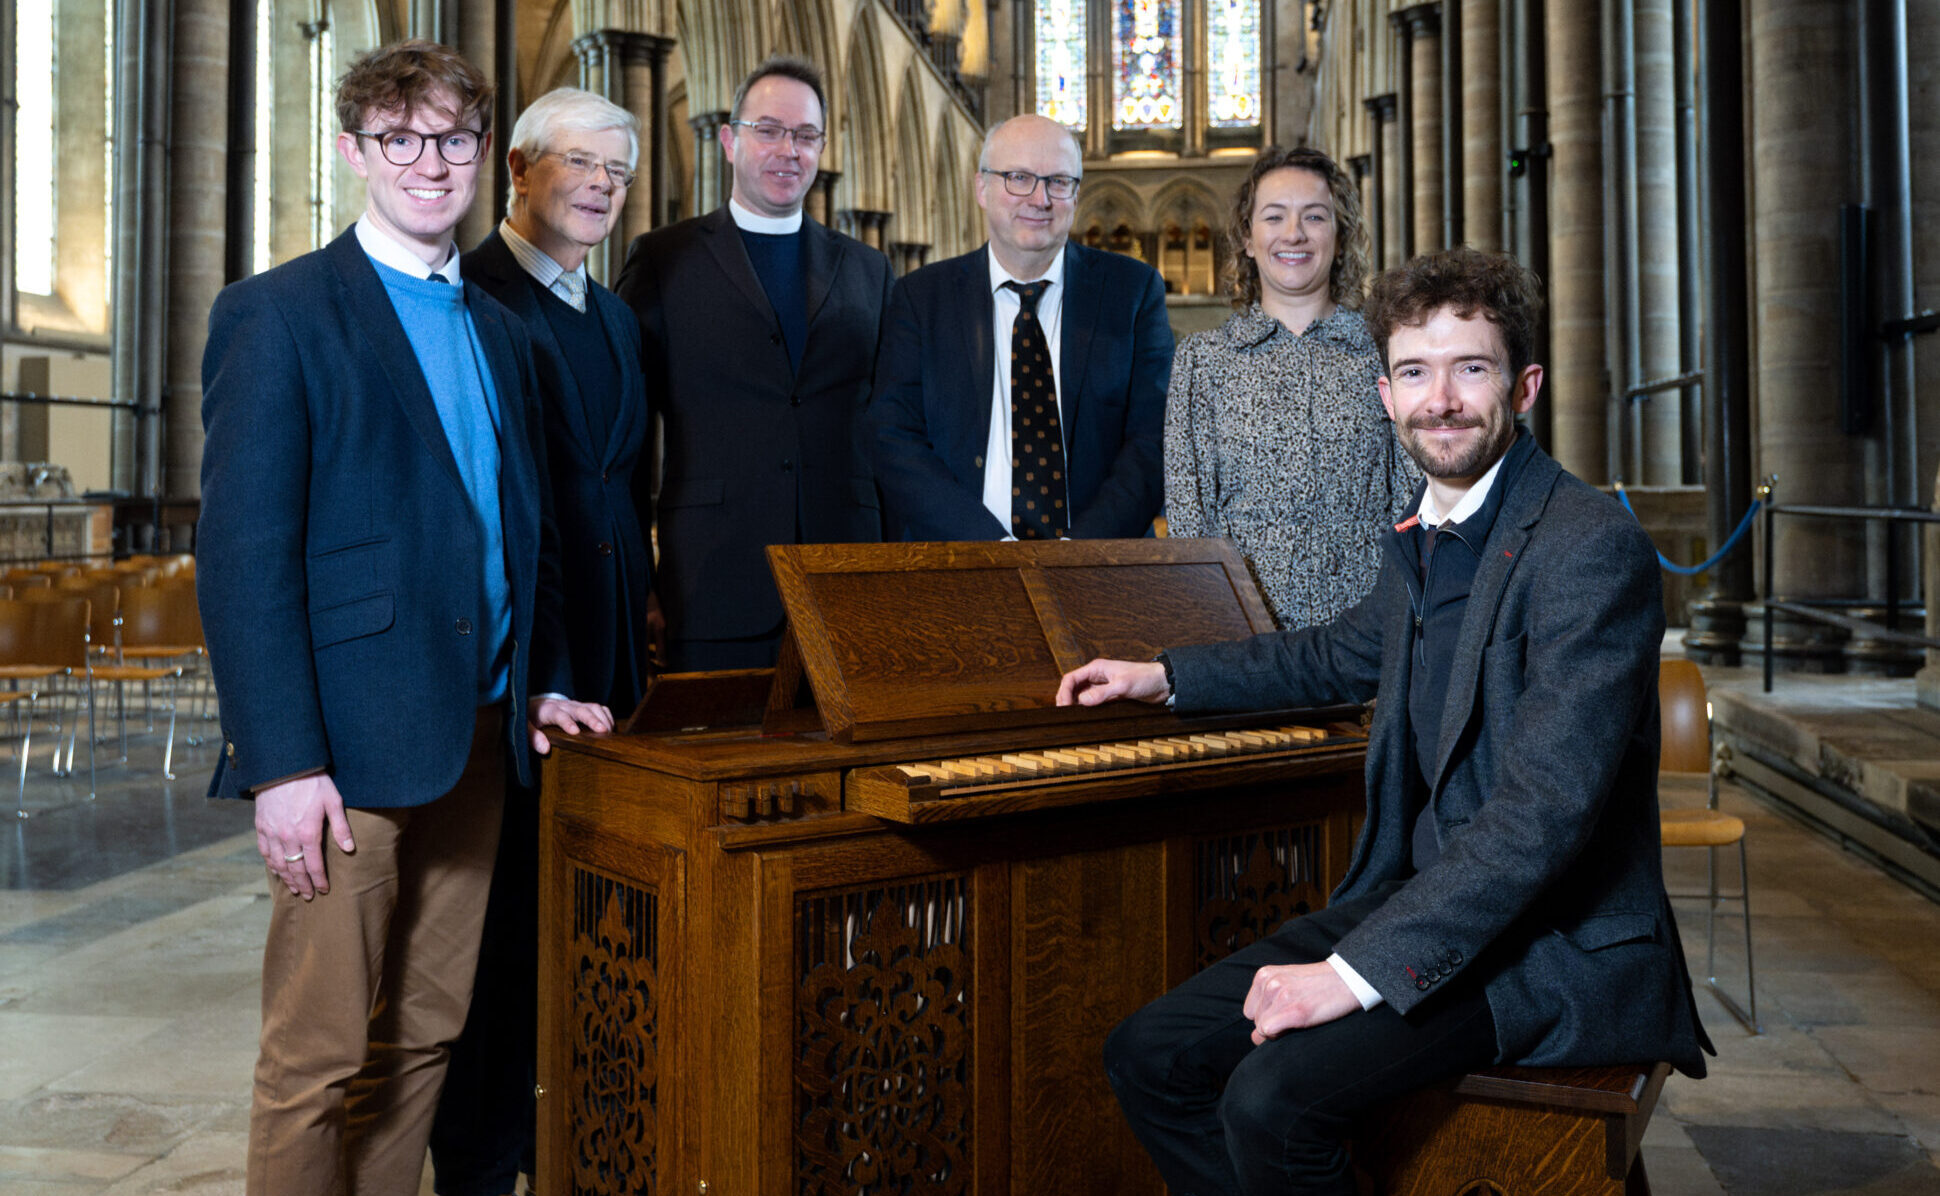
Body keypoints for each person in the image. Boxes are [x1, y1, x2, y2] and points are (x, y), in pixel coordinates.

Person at [1056, 247, 1711, 1196]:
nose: (1439, 398)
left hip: (1549, 943)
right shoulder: (1423, 531)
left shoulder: (1586, 547)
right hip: (1425, 900)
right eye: (1415, 371)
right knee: (1148, 1054)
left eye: (1470, 367)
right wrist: (1162, 677)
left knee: (1271, 1099)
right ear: (1385, 392)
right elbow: (1331, 655)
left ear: (1523, 386)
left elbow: (1540, 822)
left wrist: (1354, 975)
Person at [195, 41, 613, 1196]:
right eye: (401, 138)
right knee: (317, 1052)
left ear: (487, 155)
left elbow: (512, 532)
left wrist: (534, 678)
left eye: (453, 138)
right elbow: (242, 557)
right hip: (348, 760)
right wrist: (282, 760)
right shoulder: (278, 314)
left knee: (425, 1031)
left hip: (479, 737)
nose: (430, 163)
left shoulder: (500, 328)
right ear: (353, 152)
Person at [428, 87, 651, 1196]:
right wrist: (535, 670)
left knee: (593, 926)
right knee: (496, 940)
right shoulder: (470, 299)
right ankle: (478, 1162)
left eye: (618, 168)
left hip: (611, 668)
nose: (603, 184)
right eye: (580, 162)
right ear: (515, 169)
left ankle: (578, 1142)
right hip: (521, 677)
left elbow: (621, 489)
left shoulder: (611, 315)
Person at [613, 55, 893, 671]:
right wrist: (641, 579)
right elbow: (626, 441)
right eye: (769, 130)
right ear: (728, 139)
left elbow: (890, 429)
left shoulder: (868, 270)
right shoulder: (664, 260)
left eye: (805, 135)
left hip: (847, 578)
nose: (788, 150)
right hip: (710, 581)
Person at [871, 114, 1173, 542]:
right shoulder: (921, 298)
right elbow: (893, 436)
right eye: (1019, 178)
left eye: (1058, 182)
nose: (1039, 199)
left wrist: (1078, 552)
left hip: (1100, 571)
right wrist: (989, 548)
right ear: (982, 187)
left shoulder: (1133, 292)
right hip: (959, 566)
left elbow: (1155, 438)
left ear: (1076, 194)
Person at [1164, 146, 1419, 628]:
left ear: (1341, 236)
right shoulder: (1202, 361)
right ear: (1247, 237)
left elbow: (1411, 500)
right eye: (1274, 216)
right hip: (1245, 635)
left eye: (1315, 217)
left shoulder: (1384, 353)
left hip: (1367, 636)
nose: (1293, 234)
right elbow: (1189, 519)